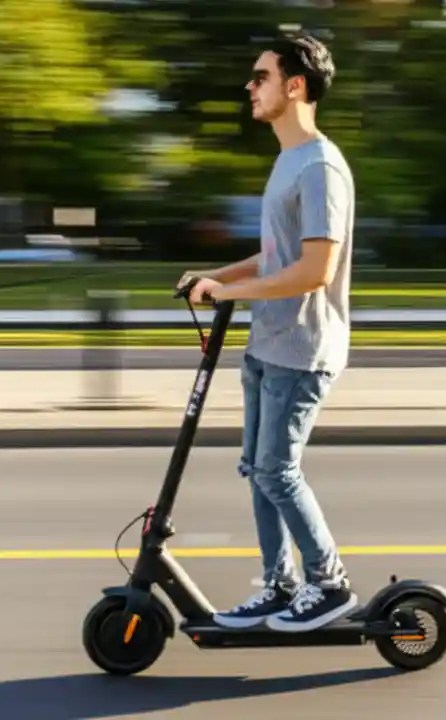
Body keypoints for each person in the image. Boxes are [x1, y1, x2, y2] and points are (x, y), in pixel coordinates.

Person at [176, 32, 356, 633]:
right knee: (257, 468)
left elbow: (312, 271)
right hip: (266, 344)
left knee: (277, 470)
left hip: (302, 349)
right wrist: (217, 276)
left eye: (260, 77)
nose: (249, 87)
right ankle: (280, 586)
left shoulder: (322, 167)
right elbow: (277, 255)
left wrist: (226, 294)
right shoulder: (288, 160)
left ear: (294, 85)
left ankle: (328, 585)